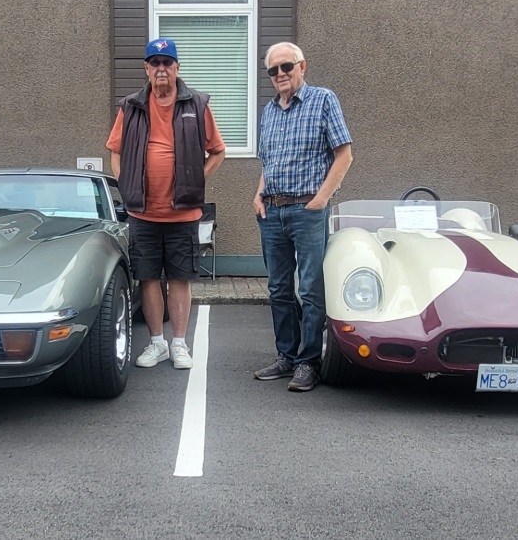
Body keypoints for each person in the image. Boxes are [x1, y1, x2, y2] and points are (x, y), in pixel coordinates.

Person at [107, 38, 226, 370]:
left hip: (183, 212)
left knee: (179, 279)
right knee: (147, 278)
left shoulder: (196, 105)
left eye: (167, 63)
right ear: (146, 68)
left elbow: (218, 150)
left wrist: (195, 179)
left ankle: (179, 344)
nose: (161, 69)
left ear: (177, 68)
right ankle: (157, 343)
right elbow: (115, 149)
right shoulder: (131, 106)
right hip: (142, 212)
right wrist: (125, 182)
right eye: (154, 63)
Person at [252, 41, 353, 392]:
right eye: (273, 70)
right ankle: (286, 356)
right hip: (273, 210)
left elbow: (344, 156)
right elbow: (268, 162)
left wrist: (321, 200)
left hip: (307, 210)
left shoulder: (323, 100)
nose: (280, 74)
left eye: (286, 67)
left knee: (310, 289)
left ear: (302, 66)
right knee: (279, 288)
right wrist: (258, 193)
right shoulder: (269, 112)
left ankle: (309, 362)